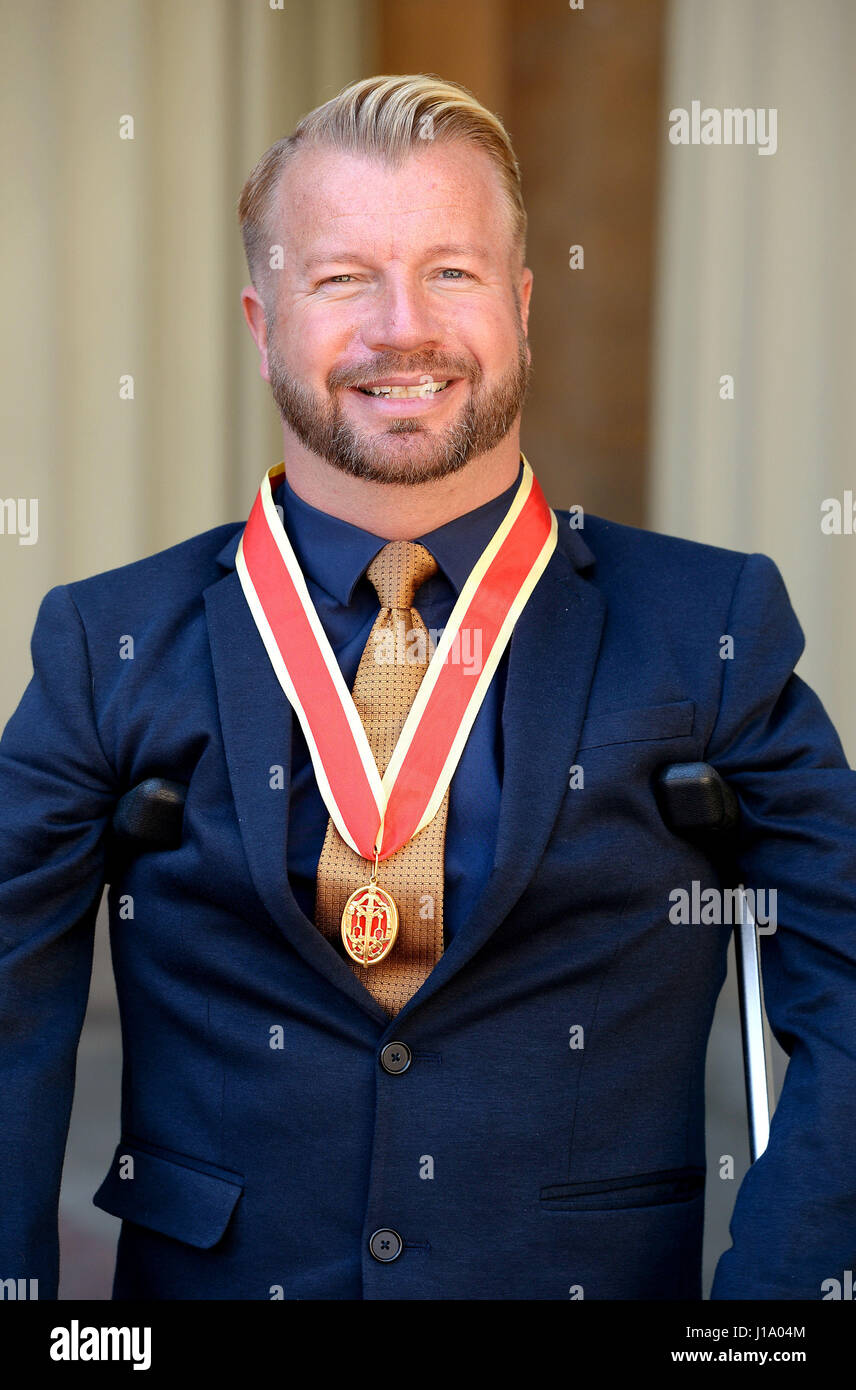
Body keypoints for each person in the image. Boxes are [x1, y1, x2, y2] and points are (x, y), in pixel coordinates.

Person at [1, 73, 854, 1302]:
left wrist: (774, 1314)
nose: (402, 327)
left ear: (518, 304)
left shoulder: (708, 627)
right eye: (342, 277)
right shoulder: (107, 641)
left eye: (450, 271)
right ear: (260, 319)